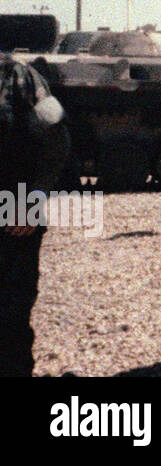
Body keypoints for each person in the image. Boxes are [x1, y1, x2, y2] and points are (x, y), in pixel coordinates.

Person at [0, 53, 70, 376]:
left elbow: (58, 140)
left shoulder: (21, 77)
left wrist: (31, 203)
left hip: (13, 211)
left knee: (11, 314)